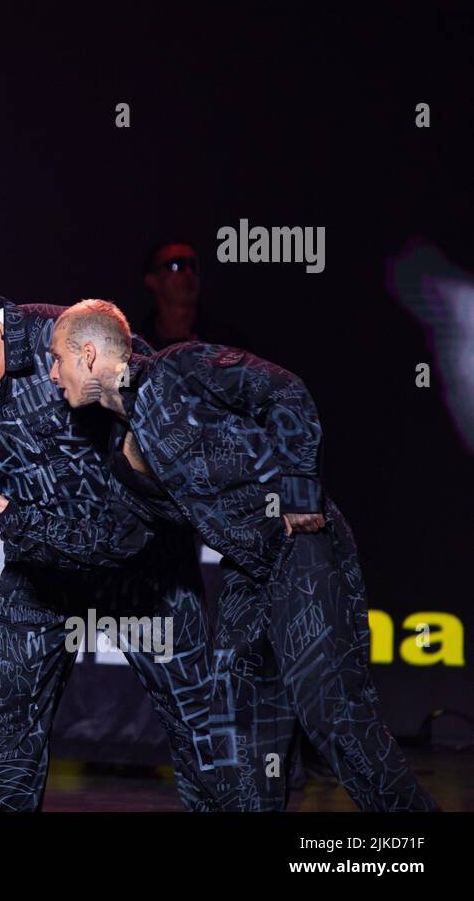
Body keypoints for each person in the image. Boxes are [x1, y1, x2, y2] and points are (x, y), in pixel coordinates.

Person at [41, 298, 438, 811]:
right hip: (248, 573)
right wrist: (22, 517)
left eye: (58, 359)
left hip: (302, 546)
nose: (52, 374)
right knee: (237, 735)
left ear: (90, 355)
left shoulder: (178, 368)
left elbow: (283, 390)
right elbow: (128, 535)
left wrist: (298, 487)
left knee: (334, 717)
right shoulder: (122, 449)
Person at [0, 265, 216, 812]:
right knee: (10, 735)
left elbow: (157, 399)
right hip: (41, 574)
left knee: (199, 722)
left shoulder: (58, 335)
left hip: (135, 567)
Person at [140, 240, 249, 351]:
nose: (189, 272)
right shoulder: (136, 347)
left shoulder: (226, 342)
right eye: (176, 265)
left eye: (194, 266)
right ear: (151, 280)